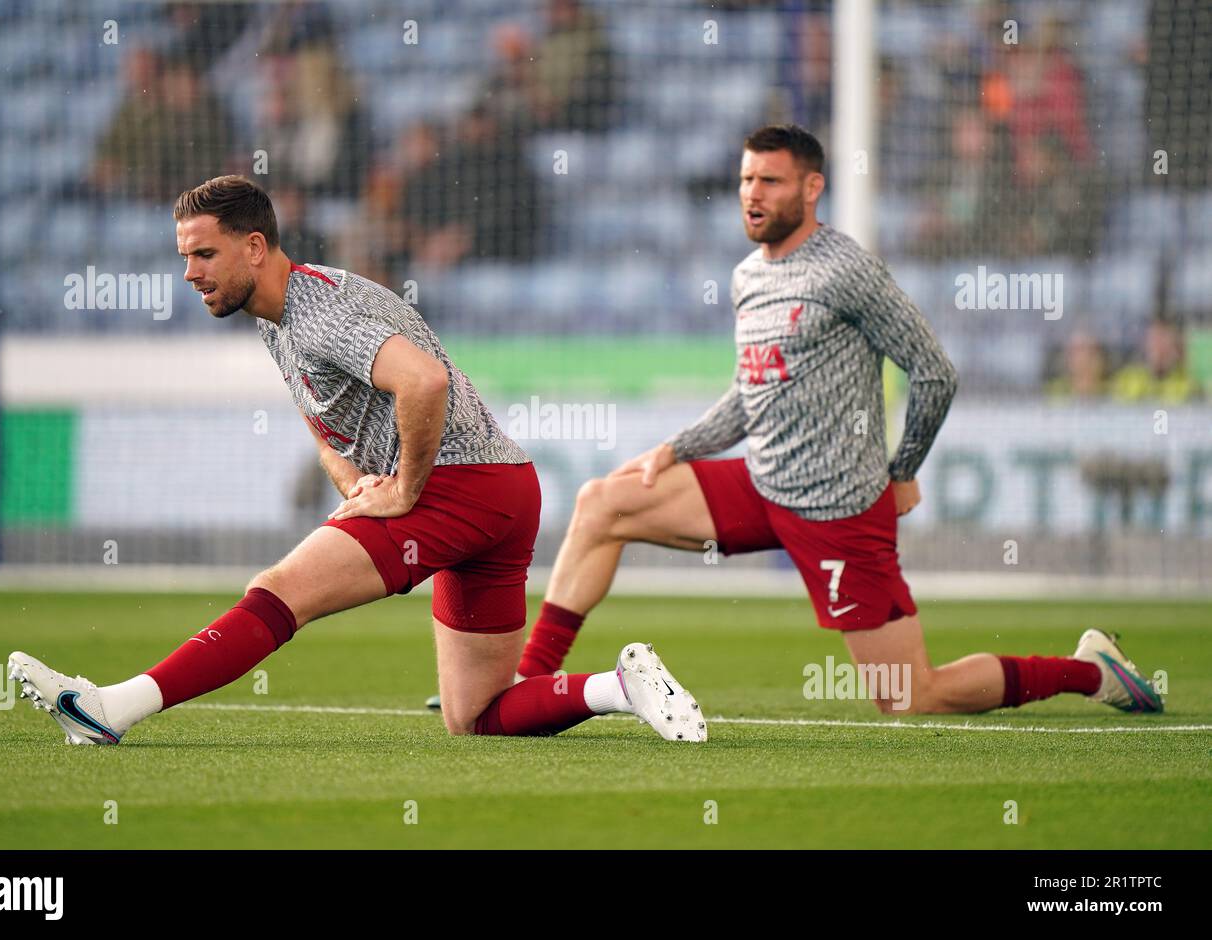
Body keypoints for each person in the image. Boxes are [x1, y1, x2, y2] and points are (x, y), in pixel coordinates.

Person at [467, 125, 1162, 717]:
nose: (752, 194)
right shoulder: (749, 276)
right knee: (601, 504)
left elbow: (933, 371)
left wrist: (904, 471)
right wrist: (676, 448)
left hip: (838, 508)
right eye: (746, 179)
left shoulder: (845, 269)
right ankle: (525, 681)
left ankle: (1091, 671)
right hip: (763, 483)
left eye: (770, 180)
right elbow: (751, 394)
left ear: (811, 189)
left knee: (910, 697)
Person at [8, 176, 706, 745]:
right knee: (477, 713)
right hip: (505, 489)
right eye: (184, 256)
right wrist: (352, 479)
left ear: (254, 246)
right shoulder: (277, 314)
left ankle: (109, 708)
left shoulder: (318, 313)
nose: (188, 273)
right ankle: (620, 686)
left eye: (203, 254)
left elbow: (422, 380)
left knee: (279, 589)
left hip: (462, 486)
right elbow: (324, 426)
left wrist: (403, 488)